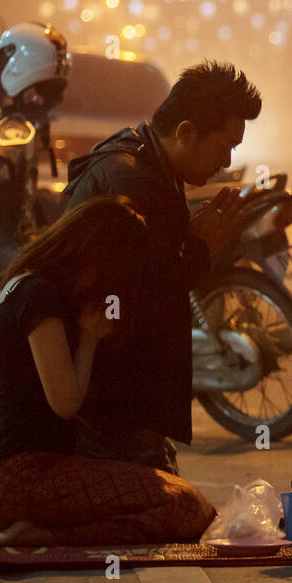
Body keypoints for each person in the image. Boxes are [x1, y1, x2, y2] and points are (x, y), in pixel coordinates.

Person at [61, 60, 262, 475]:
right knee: (179, 516)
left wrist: (194, 242)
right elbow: (136, 298)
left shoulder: (151, 164)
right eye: (223, 145)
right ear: (186, 132)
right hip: (108, 417)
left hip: (131, 413)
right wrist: (200, 246)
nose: (225, 161)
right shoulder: (128, 181)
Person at [0, 196, 216, 547]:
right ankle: (40, 535)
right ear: (95, 255)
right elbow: (65, 402)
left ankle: (32, 530)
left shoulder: (28, 284)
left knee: (186, 499)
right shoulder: (37, 295)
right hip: (20, 476)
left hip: (22, 475)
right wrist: (89, 339)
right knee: (186, 507)